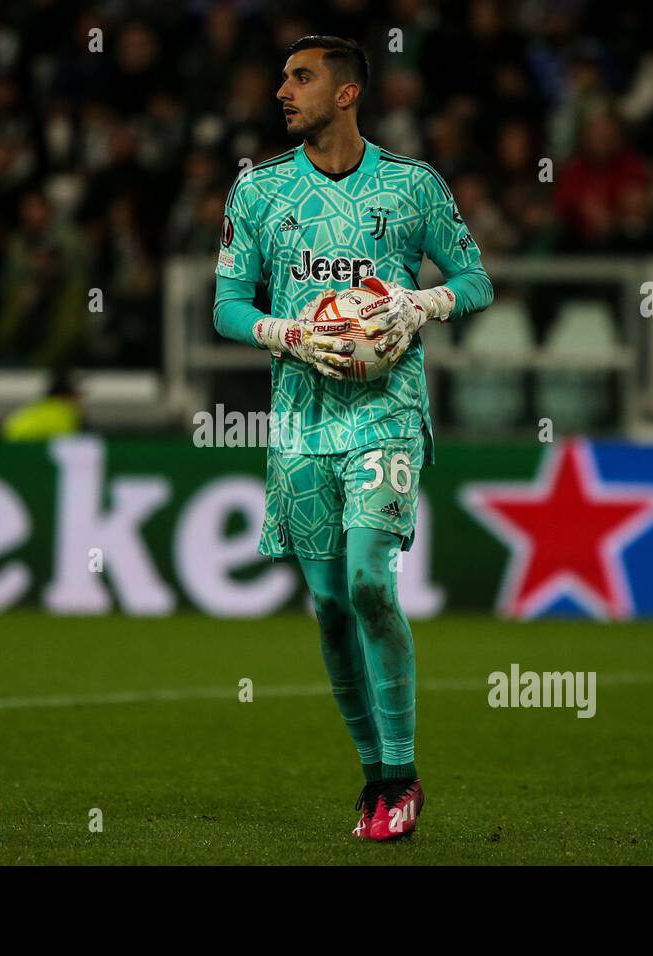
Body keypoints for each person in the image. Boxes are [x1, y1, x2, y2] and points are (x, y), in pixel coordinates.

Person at [211, 35, 493, 841]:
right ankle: (374, 777)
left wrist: (420, 305)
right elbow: (227, 304)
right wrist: (285, 332)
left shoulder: (412, 186)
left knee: (371, 581)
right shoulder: (257, 192)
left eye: (300, 78)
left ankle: (403, 776)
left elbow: (476, 278)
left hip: (387, 409)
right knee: (331, 605)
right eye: (281, 77)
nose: (281, 91)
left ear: (346, 93)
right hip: (299, 414)